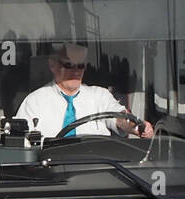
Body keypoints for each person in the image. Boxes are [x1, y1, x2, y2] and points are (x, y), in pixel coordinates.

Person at [16, 43, 153, 139]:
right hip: (51, 173)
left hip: (94, 170)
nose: (75, 71)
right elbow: (21, 142)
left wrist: (137, 126)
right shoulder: (34, 101)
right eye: (69, 65)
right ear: (53, 65)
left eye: (80, 65)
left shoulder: (100, 96)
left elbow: (119, 118)